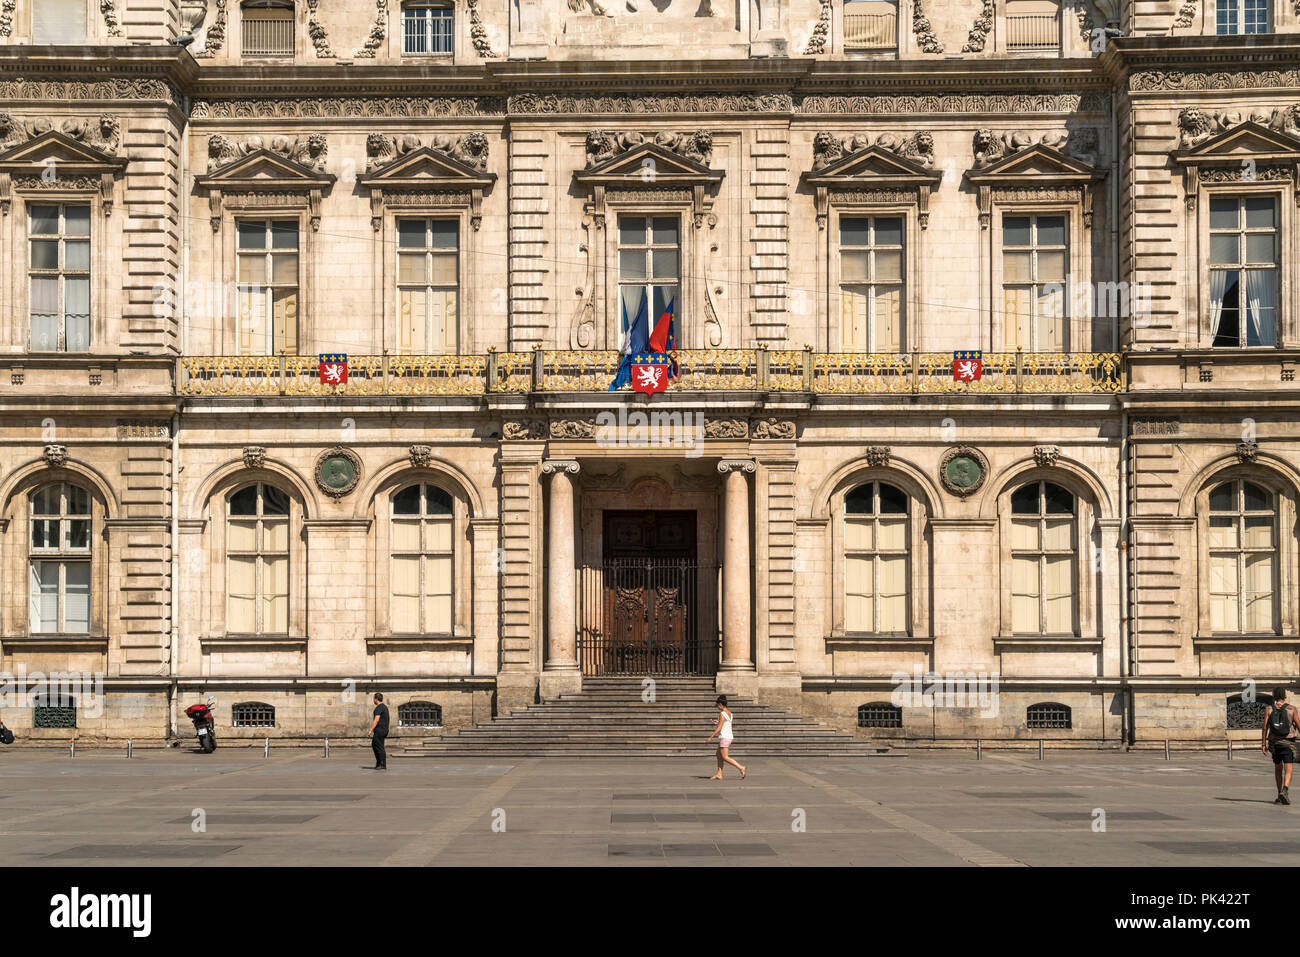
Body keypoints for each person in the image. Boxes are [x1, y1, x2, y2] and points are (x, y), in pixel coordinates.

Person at [1261, 687, 1299, 804]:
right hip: (1288, 743)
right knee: (1289, 768)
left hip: (1274, 744)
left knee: (1278, 768)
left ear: (1274, 696)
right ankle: (1285, 790)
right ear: (1285, 696)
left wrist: (1263, 744)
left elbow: (1265, 727)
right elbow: (1298, 724)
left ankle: (1279, 795)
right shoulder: (1292, 709)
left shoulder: (1269, 709)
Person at [706, 694, 746, 781]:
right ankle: (719, 774)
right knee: (718, 755)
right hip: (728, 736)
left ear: (720, 704)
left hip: (725, 737)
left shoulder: (722, 713)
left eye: (717, 705)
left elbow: (720, 728)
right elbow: (725, 724)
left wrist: (711, 737)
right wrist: (718, 722)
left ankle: (741, 767)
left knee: (725, 757)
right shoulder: (730, 713)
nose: (717, 707)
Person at [368, 692, 389, 770]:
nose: (373, 700)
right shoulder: (385, 707)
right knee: (375, 745)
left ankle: (382, 764)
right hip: (384, 730)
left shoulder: (379, 707)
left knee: (379, 747)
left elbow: (376, 720)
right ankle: (379, 763)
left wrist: (370, 730)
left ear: (376, 699)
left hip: (380, 730)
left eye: (374, 698)